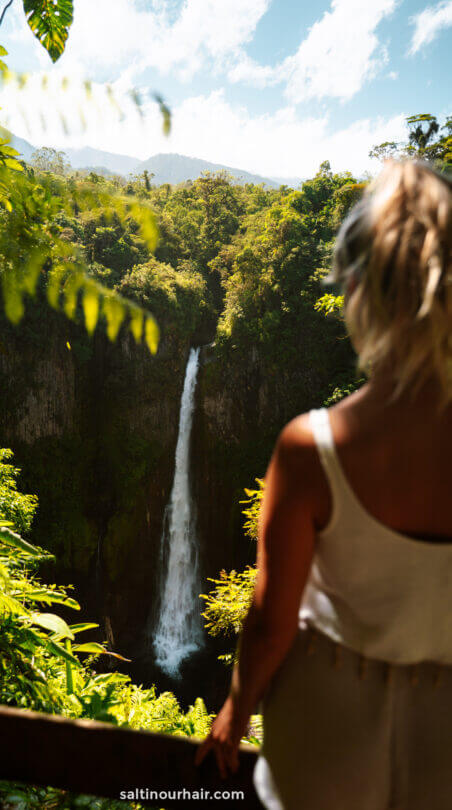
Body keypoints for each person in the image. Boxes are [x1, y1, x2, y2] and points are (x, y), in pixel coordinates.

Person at [195, 160, 452, 809]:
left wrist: (237, 707)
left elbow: (270, 621)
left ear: (357, 287)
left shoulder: (314, 447)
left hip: (327, 715)